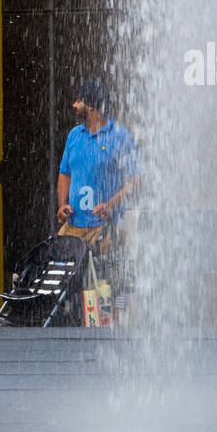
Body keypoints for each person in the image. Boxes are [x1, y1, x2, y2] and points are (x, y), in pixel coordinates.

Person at [56, 80, 139, 319]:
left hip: (106, 227)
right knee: (64, 277)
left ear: (91, 107)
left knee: (113, 277)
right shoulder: (74, 135)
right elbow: (64, 173)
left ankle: (114, 322)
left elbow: (133, 181)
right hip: (74, 226)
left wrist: (111, 204)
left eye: (79, 101)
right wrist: (62, 204)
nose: (74, 105)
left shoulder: (120, 137)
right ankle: (70, 321)